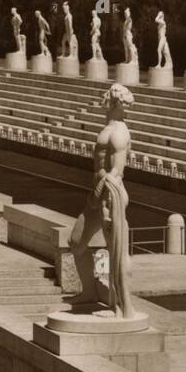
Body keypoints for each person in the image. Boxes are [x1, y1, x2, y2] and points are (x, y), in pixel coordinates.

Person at [69, 84, 137, 320]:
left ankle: (122, 306)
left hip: (110, 195)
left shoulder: (119, 132)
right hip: (98, 196)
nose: (103, 99)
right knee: (77, 242)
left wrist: (97, 195)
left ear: (115, 102)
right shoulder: (109, 128)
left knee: (117, 251)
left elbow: (115, 172)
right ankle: (89, 291)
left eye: (107, 96)